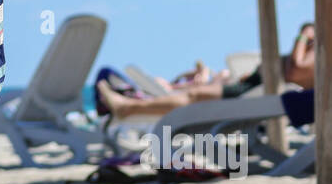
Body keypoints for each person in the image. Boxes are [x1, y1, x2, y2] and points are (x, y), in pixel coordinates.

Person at [98, 23, 315, 120]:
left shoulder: (322, 42)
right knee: (194, 93)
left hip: (259, 89)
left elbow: (297, 69)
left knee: (193, 96)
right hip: (257, 85)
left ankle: (128, 108)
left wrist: (304, 35)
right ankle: (130, 105)